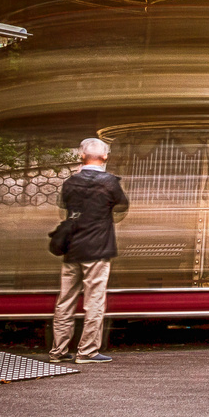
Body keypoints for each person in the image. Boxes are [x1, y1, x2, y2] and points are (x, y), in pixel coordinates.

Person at [49, 137, 129, 364]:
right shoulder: (110, 183)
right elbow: (122, 207)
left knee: (65, 300)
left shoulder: (70, 183)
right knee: (93, 301)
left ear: (81, 156)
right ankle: (87, 352)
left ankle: (58, 351)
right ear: (105, 157)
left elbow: (63, 208)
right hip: (98, 248)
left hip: (72, 247)